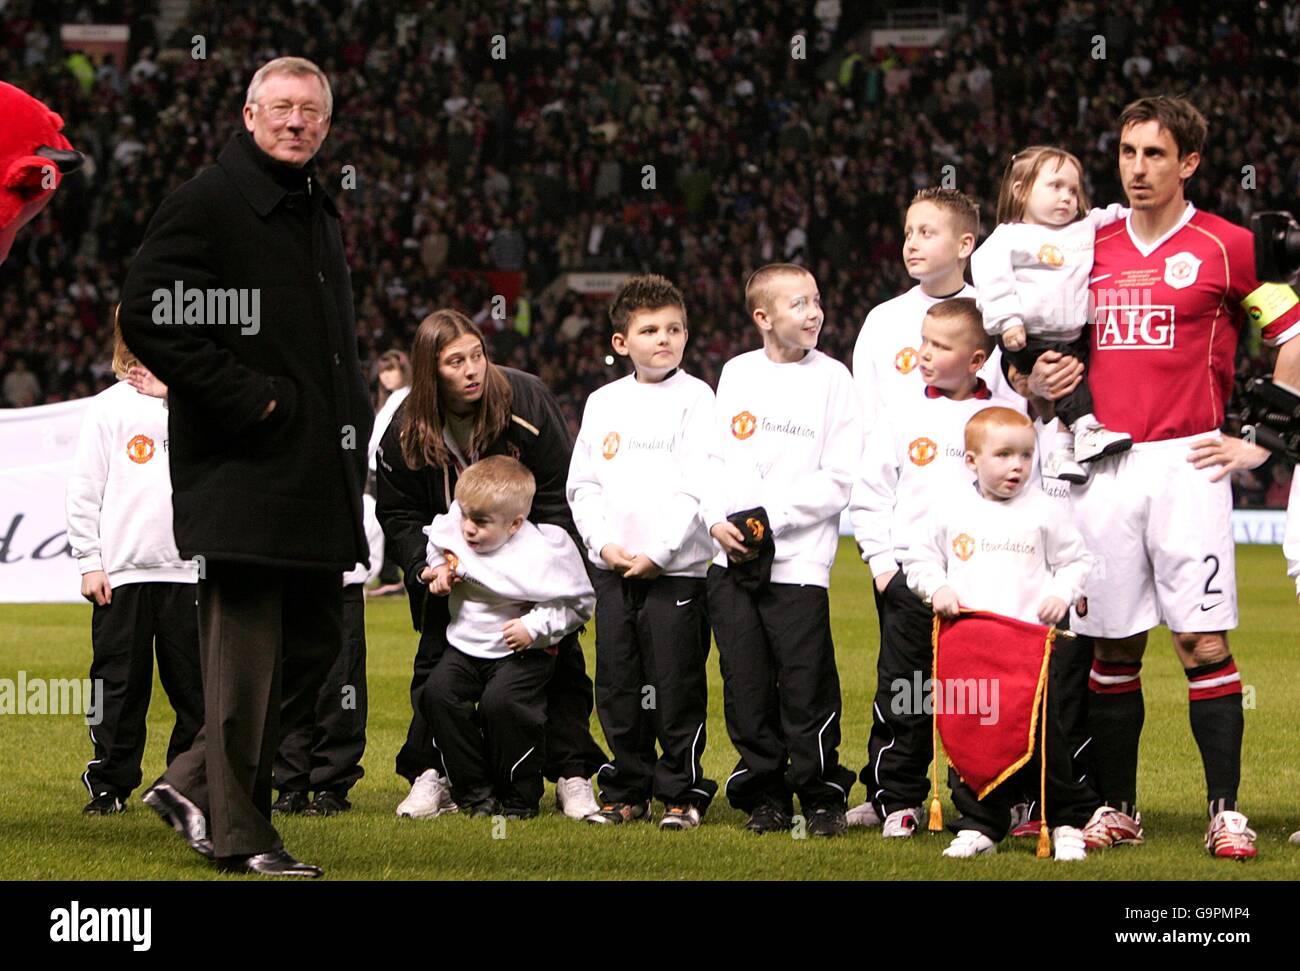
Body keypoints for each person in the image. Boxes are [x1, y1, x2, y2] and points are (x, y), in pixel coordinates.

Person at [119, 56, 373, 877]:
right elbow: (151, 314)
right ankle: (240, 833)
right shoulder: (210, 200)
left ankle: (193, 782)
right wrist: (249, 398)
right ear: (250, 113)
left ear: (327, 126)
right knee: (247, 657)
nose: (297, 121)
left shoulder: (315, 209)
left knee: (313, 642)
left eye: (311, 111)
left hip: (311, 474)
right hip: (244, 472)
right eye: (282, 108)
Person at [1028, 96, 1300, 859]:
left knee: (1200, 643)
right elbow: (1050, 340)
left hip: (1188, 464)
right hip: (1101, 467)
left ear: (1188, 162)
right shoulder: (1091, 239)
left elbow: (1293, 332)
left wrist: (1259, 439)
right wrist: (1044, 370)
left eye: (1155, 154)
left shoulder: (1226, 246)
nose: (1137, 168)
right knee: (1114, 647)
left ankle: (1225, 809)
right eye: (1126, 152)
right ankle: (1119, 806)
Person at [376, 308, 607, 822]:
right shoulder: (405, 428)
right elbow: (397, 513)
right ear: (430, 371)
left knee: (560, 668)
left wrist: (542, 576)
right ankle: (432, 773)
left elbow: (557, 495)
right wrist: (424, 569)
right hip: (451, 573)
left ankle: (572, 773)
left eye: (476, 355)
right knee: (436, 670)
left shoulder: (526, 400)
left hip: (529, 565)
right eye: (455, 361)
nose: (472, 369)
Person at [846, 185, 1010, 827]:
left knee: (981, 687)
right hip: (908, 551)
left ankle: (990, 798)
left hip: (985, 554)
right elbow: (869, 433)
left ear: (966, 244)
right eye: (907, 230)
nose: (911, 243)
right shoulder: (884, 321)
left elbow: (1011, 422)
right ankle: (895, 796)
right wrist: (881, 557)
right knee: (905, 684)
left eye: (927, 232)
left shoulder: (998, 315)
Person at [901, 406, 1105, 860]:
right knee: (974, 736)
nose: (1017, 466)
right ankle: (981, 822)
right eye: (1004, 455)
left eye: (1026, 455)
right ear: (972, 461)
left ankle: (1064, 820)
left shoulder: (1046, 510)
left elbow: (1077, 561)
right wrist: (938, 587)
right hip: (971, 647)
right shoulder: (950, 508)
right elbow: (919, 560)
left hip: (1031, 650)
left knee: (1046, 738)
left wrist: (1060, 593)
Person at [701, 263, 860, 837]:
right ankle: (764, 796)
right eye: (799, 304)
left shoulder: (835, 378)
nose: (814, 312)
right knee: (745, 686)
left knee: (805, 684)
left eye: (816, 300)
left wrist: (768, 522)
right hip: (729, 561)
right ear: (763, 317)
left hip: (798, 566)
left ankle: (821, 795)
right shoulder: (737, 372)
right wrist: (716, 521)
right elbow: (715, 460)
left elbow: (840, 478)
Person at [567, 274, 717, 829]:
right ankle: (628, 787)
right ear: (620, 342)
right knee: (618, 685)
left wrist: (657, 551)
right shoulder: (603, 401)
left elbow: (696, 485)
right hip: (613, 570)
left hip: (675, 572)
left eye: (675, 328)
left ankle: (683, 791)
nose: (664, 339)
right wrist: (603, 545)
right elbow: (583, 485)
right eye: (650, 329)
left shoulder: (699, 398)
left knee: (676, 686)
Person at [65, 314, 202, 815]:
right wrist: (89, 560)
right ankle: (109, 783)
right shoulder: (108, 407)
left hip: (189, 570)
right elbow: (85, 488)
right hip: (122, 573)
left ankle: (182, 783)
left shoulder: (199, 404)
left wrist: (177, 395)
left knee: (195, 689)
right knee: (117, 686)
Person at [422, 457, 595, 818]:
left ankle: (519, 798)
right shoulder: (457, 522)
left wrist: (534, 627)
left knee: (502, 705)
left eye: (481, 522)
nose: (468, 529)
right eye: (466, 516)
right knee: (438, 694)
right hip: (465, 646)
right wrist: (437, 569)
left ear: (515, 523)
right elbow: (438, 542)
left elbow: (580, 603)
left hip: (522, 652)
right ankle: (476, 793)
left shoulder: (545, 550)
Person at [971, 145, 1131, 481]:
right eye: (1055, 186)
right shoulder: (1010, 236)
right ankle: (1087, 431)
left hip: (1072, 333)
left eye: (1073, 190)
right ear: (1020, 189)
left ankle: (1059, 454)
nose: (1067, 197)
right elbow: (989, 275)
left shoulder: (1083, 227)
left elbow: (1117, 214)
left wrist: (1140, 212)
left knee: (1072, 381)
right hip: (1028, 335)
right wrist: (1008, 321)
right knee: (1067, 381)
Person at [270, 493, 383, 817]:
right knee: (291, 689)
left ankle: (330, 786)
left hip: (340, 591)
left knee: (340, 689)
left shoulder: (361, 503)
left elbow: (369, 560)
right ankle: (290, 784)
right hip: (289, 592)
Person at [368, 350, 411, 597]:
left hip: (391, 469)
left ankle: (393, 576)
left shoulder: (405, 398)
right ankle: (389, 576)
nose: (386, 376)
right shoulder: (390, 400)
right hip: (378, 468)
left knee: (390, 522)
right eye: (383, 371)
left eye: (391, 370)